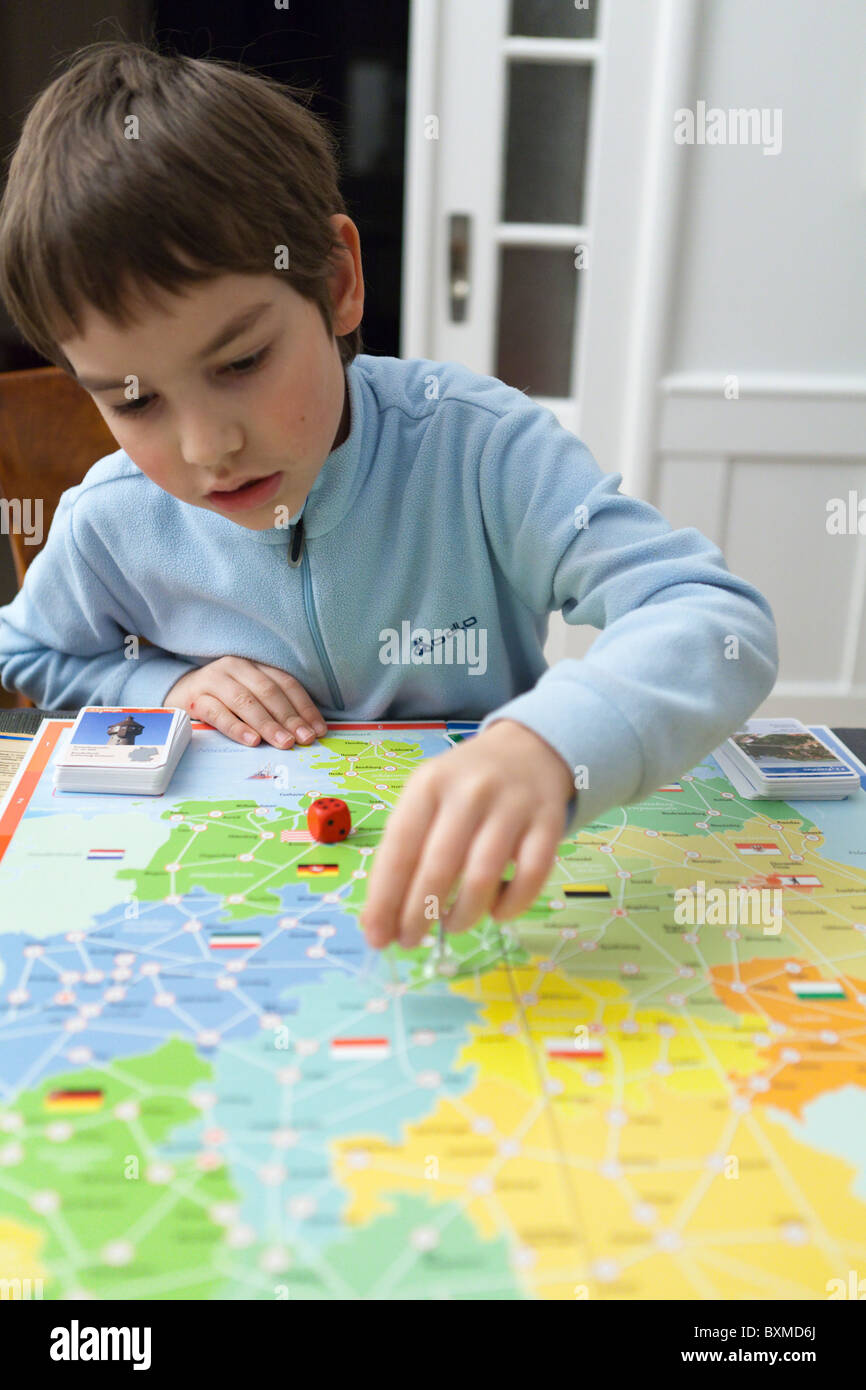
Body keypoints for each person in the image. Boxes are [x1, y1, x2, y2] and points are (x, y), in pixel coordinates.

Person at [0, 42, 779, 952]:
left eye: (242, 361)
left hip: (470, 919)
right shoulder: (114, 515)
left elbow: (713, 616)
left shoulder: (482, 450)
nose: (208, 446)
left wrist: (551, 742)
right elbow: (32, 656)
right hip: (226, 919)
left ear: (335, 283)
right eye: (133, 399)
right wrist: (166, 684)